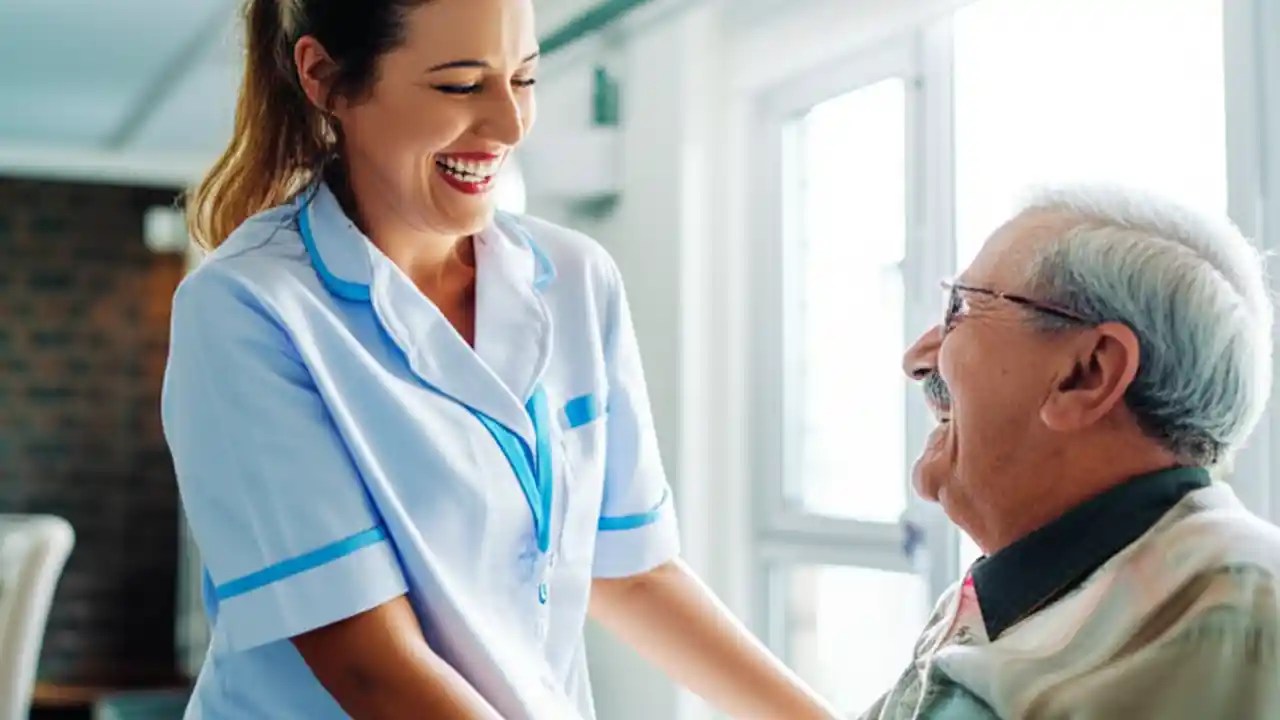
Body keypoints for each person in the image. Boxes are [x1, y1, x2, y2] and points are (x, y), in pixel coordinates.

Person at [162, 1, 839, 719]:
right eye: (460, 86)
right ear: (327, 78)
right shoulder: (247, 308)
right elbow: (372, 667)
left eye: (524, 80)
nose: (510, 126)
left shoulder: (577, 278)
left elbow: (634, 573)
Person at [865, 186, 1280, 719]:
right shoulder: (1041, 591)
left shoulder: (1237, 615)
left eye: (960, 309)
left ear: (1088, 373)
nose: (918, 358)